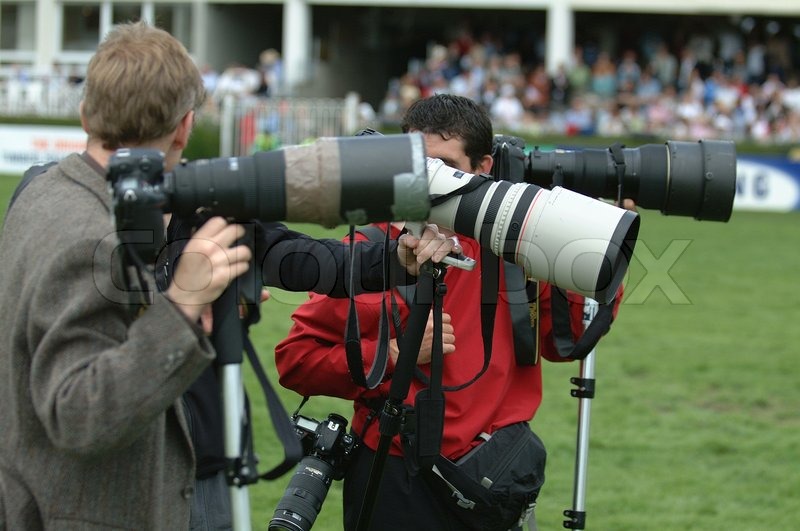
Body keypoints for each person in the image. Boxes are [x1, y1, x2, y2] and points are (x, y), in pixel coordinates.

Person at [0, 22, 458, 531]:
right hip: (102, 496)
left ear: (85, 112)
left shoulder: (94, 195)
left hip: (193, 457)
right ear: (185, 127)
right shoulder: (75, 220)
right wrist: (183, 302)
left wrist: (396, 261)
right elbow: (80, 413)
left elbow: (302, 258)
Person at [274, 93, 627, 530]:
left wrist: (596, 251)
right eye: (418, 167)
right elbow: (295, 360)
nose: (430, 183)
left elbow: (567, 342)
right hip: (393, 472)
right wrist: (393, 354)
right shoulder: (370, 253)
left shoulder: (520, 243)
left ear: (483, 168)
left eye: (446, 167)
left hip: (495, 471)